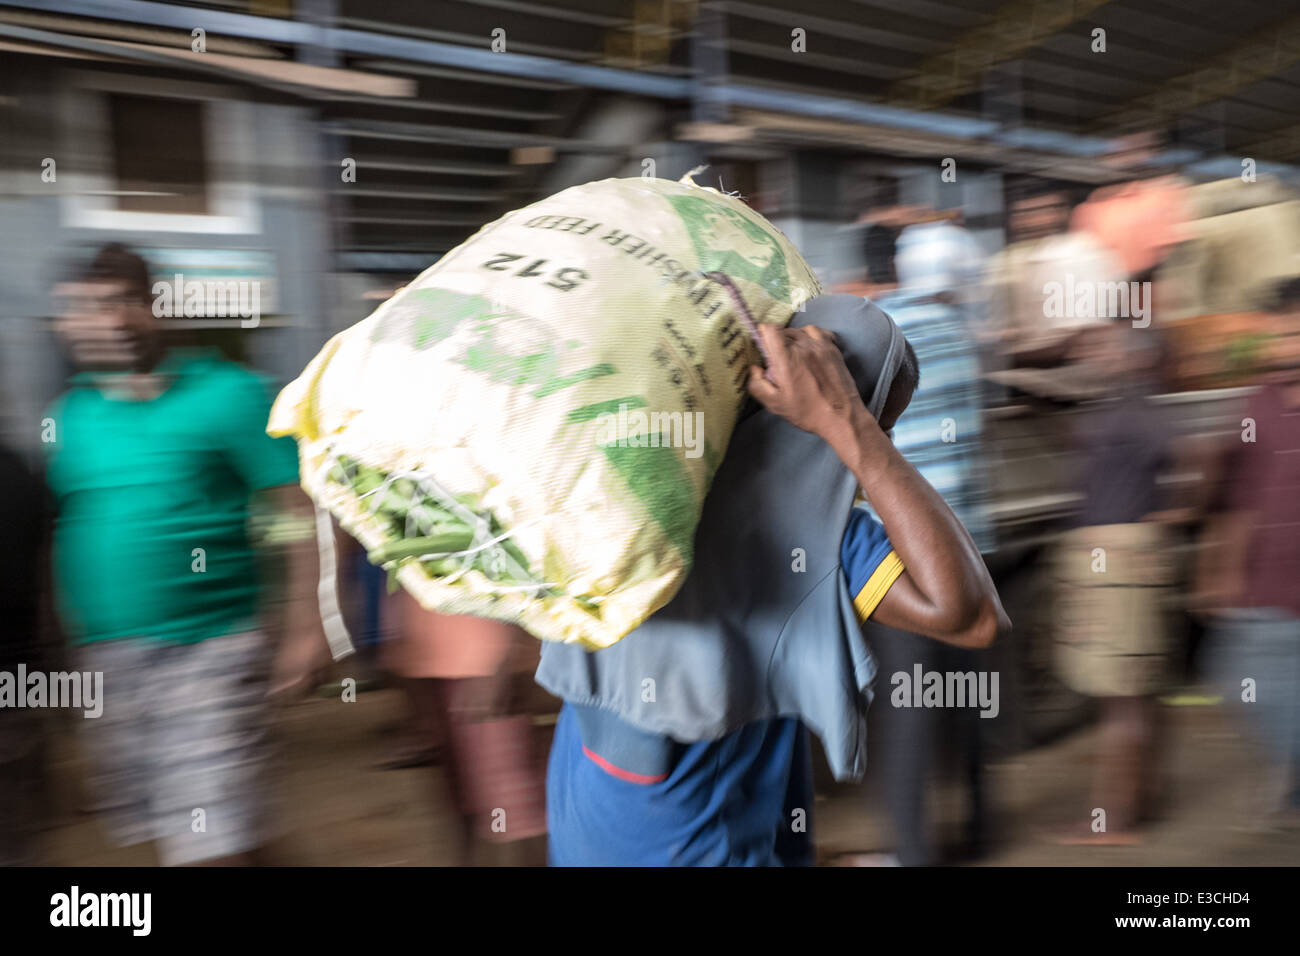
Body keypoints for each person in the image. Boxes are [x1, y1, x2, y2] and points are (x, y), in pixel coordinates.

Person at [538, 294, 1008, 866]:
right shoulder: (822, 537)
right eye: (885, 420)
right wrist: (856, 431)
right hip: (694, 837)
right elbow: (971, 614)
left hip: (588, 799)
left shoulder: (637, 474)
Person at [45, 243, 329, 866]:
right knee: (181, 827)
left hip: (210, 647)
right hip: (109, 658)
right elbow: (72, 526)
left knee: (204, 842)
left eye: (125, 302)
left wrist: (308, 624)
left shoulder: (227, 392)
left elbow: (291, 511)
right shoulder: (71, 415)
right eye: (92, 308)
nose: (112, 321)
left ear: (156, 309)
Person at [1195, 278, 1300, 825]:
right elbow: (1239, 499)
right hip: (1267, 583)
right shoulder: (1257, 403)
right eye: (1281, 329)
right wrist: (1220, 574)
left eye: (1295, 330)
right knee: (1237, 678)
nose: (1287, 340)